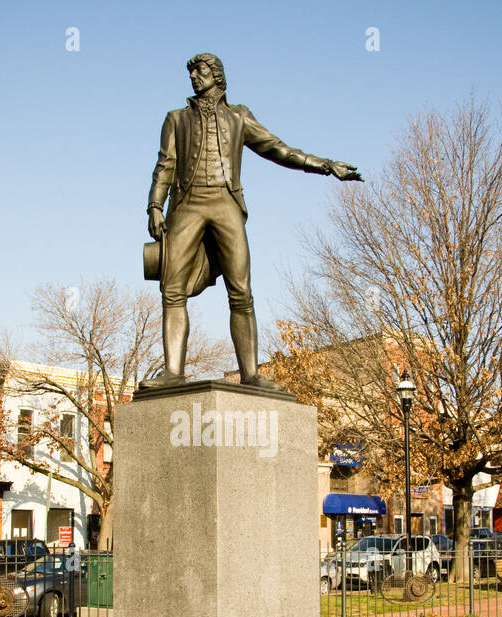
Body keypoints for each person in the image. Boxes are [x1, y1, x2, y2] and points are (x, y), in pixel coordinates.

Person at [142, 52, 362, 391]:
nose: (193, 78)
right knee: (172, 290)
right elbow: (165, 165)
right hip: (186, 205)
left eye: (200, 71)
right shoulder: (175, 119)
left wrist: (326, 165)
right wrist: (155, 205)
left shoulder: (239, 117)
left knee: (241, 291)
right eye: (192, 73)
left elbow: (279, 149)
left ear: (216, 74)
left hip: (226, 203)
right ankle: (173, 372)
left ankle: (250, 374)